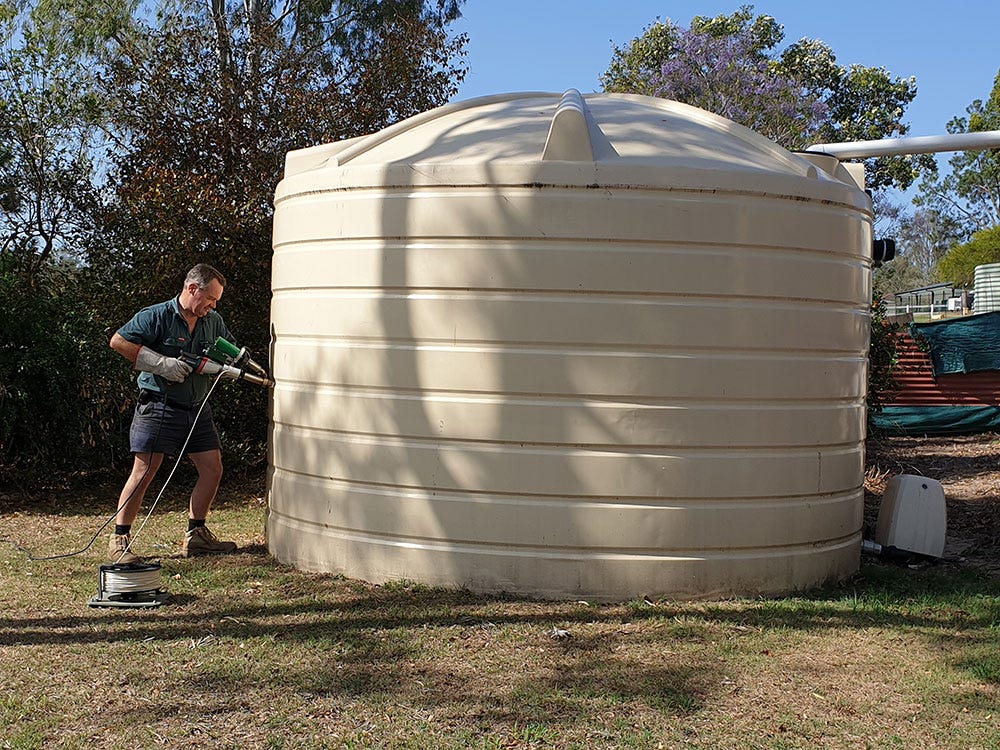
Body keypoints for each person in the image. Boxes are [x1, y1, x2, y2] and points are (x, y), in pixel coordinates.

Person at [108, 263, 239, 564]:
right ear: (192, 289)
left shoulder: (212, 322)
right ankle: (119, 540)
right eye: (211, 298)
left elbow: (230, 350)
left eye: (216, 301)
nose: (213, 305)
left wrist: (232, 364)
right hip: (159, 406)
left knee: (212, 468)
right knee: (144, 473)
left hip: (197, 409)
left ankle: (196, 536)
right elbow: (118, 341)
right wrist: (159, 363)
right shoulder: (155, 316)